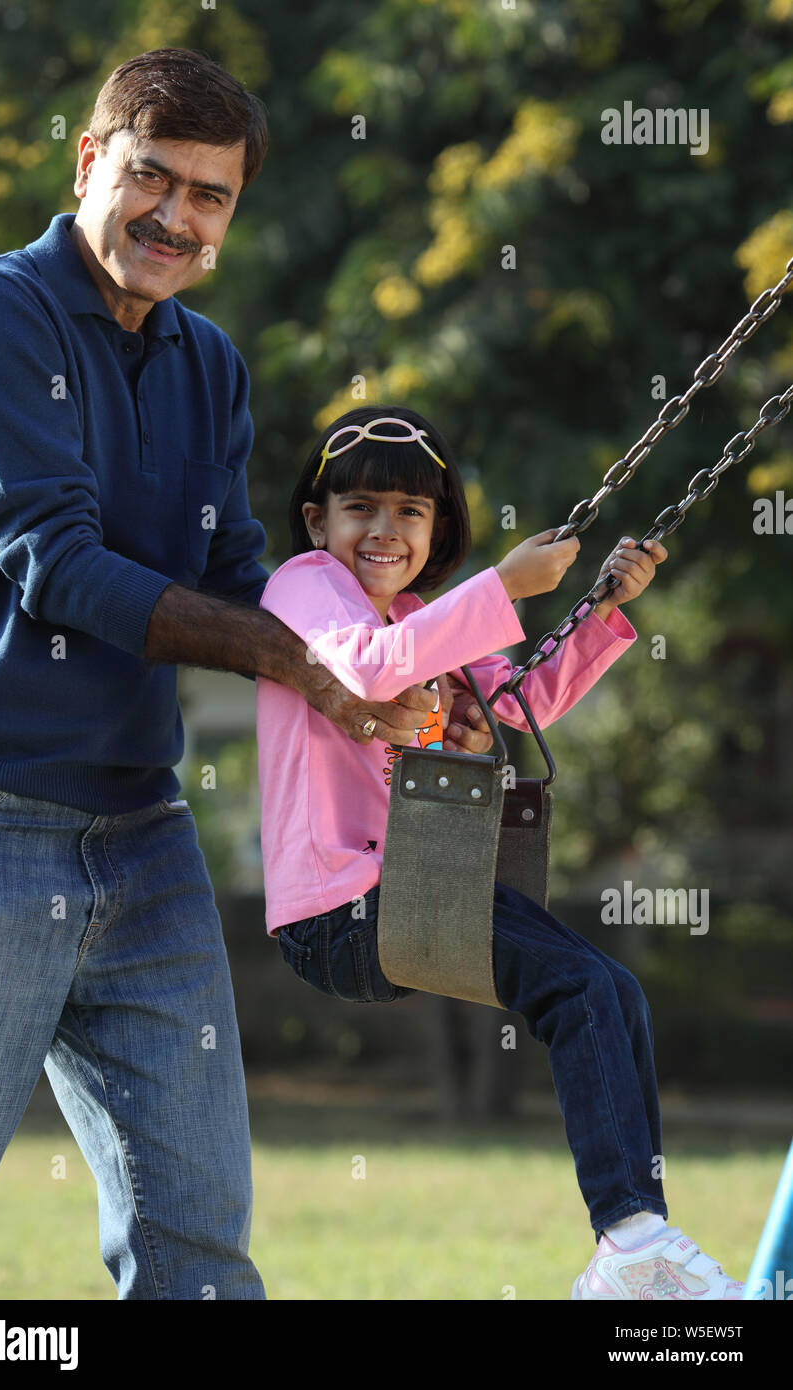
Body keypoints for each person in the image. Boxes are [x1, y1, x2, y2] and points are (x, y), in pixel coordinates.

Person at [0, 49, 468, 1301]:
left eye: (209, 195)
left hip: (143, 833)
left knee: (201, 1251)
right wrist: (307, 665)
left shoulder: (207, 363)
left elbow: (236, 573)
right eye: (150, 177)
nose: (175, 216)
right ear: (88, 162)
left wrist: (387, 645)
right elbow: (55, 564)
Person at [256, 403, 744, 1301]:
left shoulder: (425, 618)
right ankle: (630, 1241)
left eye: (411, 512)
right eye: (360, 506)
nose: (384, 529)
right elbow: (367, 665)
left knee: (610, 990)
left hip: (414, 891)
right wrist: (503, 589)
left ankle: (639, 1244)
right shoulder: (303, 589)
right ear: (318, 520)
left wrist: (600, 608)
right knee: (585, 986)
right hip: (340, 909)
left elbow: (520, 704)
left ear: (436, 530)